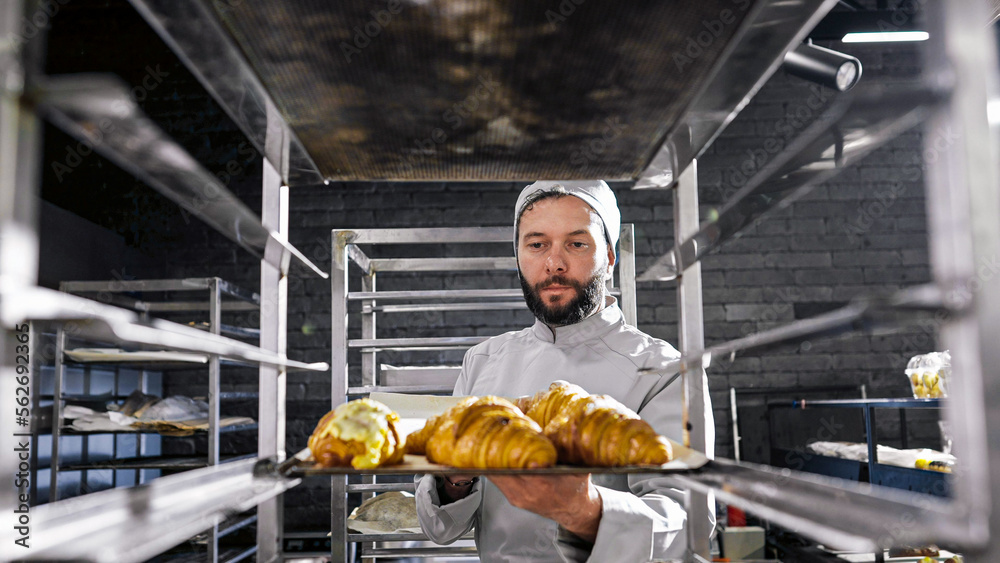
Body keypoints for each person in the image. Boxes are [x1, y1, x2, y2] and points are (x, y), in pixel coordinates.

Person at [414, 180, 715, 562]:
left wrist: (584, 510)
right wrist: (454, 480)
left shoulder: (664, 370)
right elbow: (440, 528)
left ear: (608, 255)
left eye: (576, 243)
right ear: (519, 255)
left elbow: (689, 522)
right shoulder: (483, 361)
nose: (554, 263)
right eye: (537, 244)